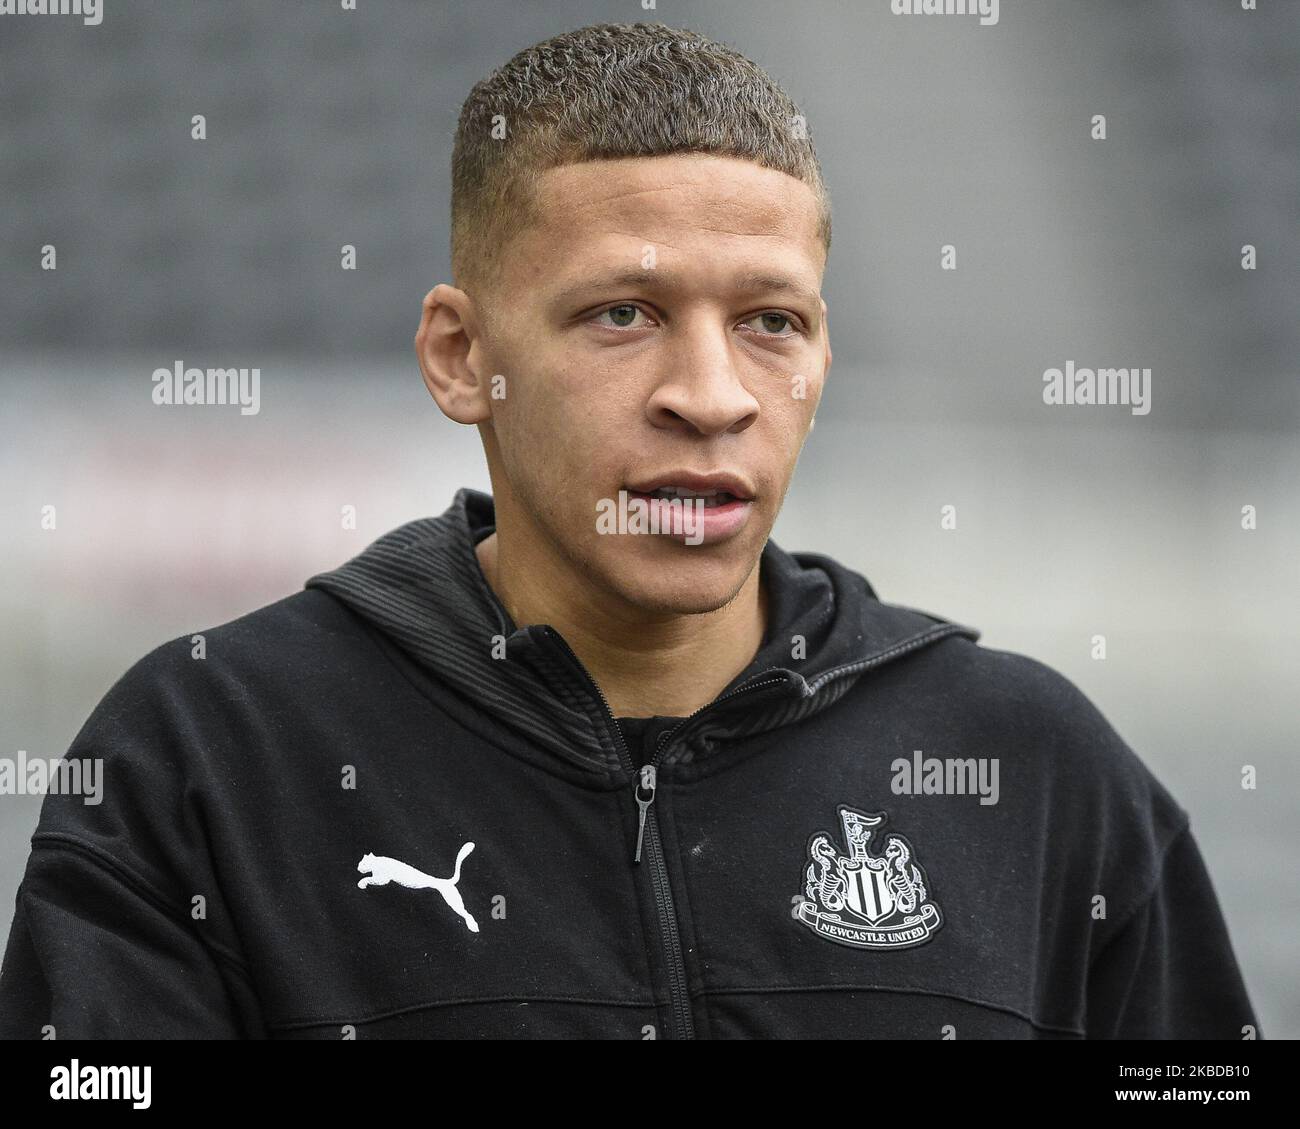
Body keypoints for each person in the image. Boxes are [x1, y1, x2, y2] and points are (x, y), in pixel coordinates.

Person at [0, 21, 1258, 1040]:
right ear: (461, 356)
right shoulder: (210, 754)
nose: (709, 395)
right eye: (621, 314)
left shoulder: (1037, 768)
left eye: (770, 320)